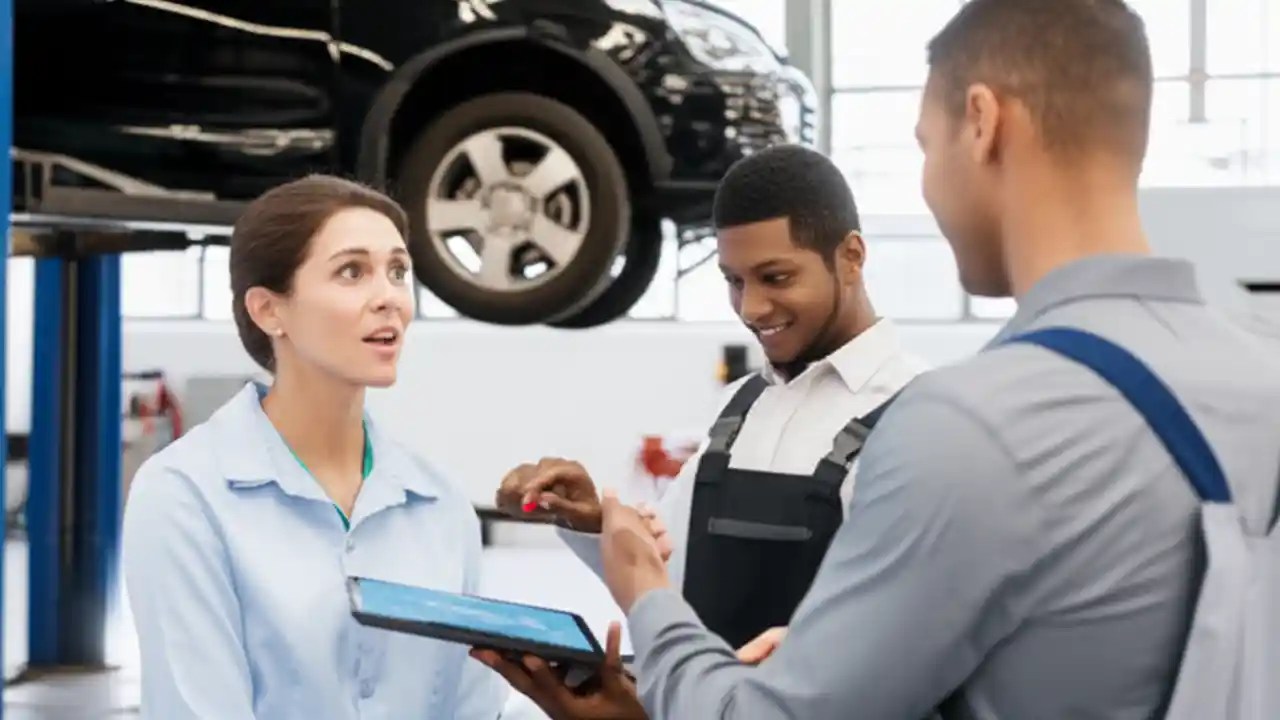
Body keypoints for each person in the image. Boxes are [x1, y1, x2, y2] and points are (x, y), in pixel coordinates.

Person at [482, 0, 1280, 718]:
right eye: (733, 282)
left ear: (983, 122)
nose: (928, 186)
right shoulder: (1261, 389)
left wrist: (646, 601)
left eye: (925, 146)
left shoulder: (966, 424)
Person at [478, 145, 930, 715]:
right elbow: (665, 577)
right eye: (733, 281)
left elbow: (911, 654)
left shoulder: (920, 417)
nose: (753, 307)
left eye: (776, 277)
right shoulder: (740, 407)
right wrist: (596, 525)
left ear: (851, 257)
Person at [122, 175, 508, 719]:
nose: (389, 298)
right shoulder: (186, 496)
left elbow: (472, 706)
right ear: (268, 311)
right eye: (352, 271)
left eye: (398, 272)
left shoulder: (439, 504)